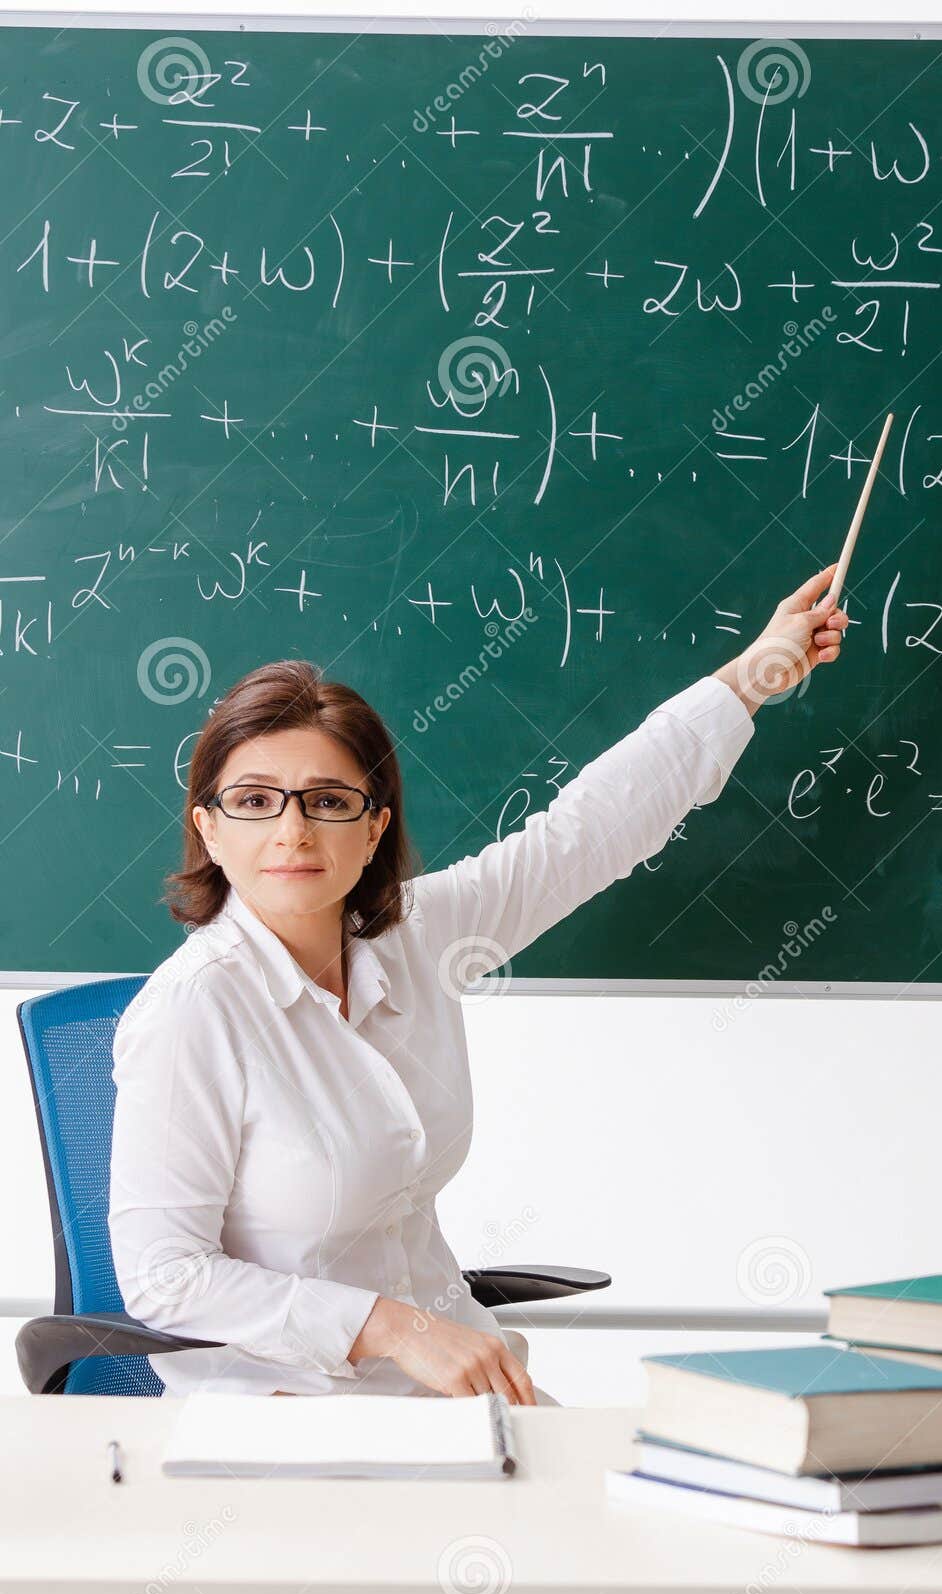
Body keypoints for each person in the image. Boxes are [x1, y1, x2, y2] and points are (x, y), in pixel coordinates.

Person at [107, 566, 849, 1401]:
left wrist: (754, 675)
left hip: (458, 1386)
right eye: (253, 800)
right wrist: (391, 1324)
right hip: (287, 1413)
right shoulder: (191, 1010)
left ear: (373, 827)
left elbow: (585, 835)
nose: (292, 830)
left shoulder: (416, 934)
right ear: (207, 829)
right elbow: (164, 1278)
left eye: (327, 800)